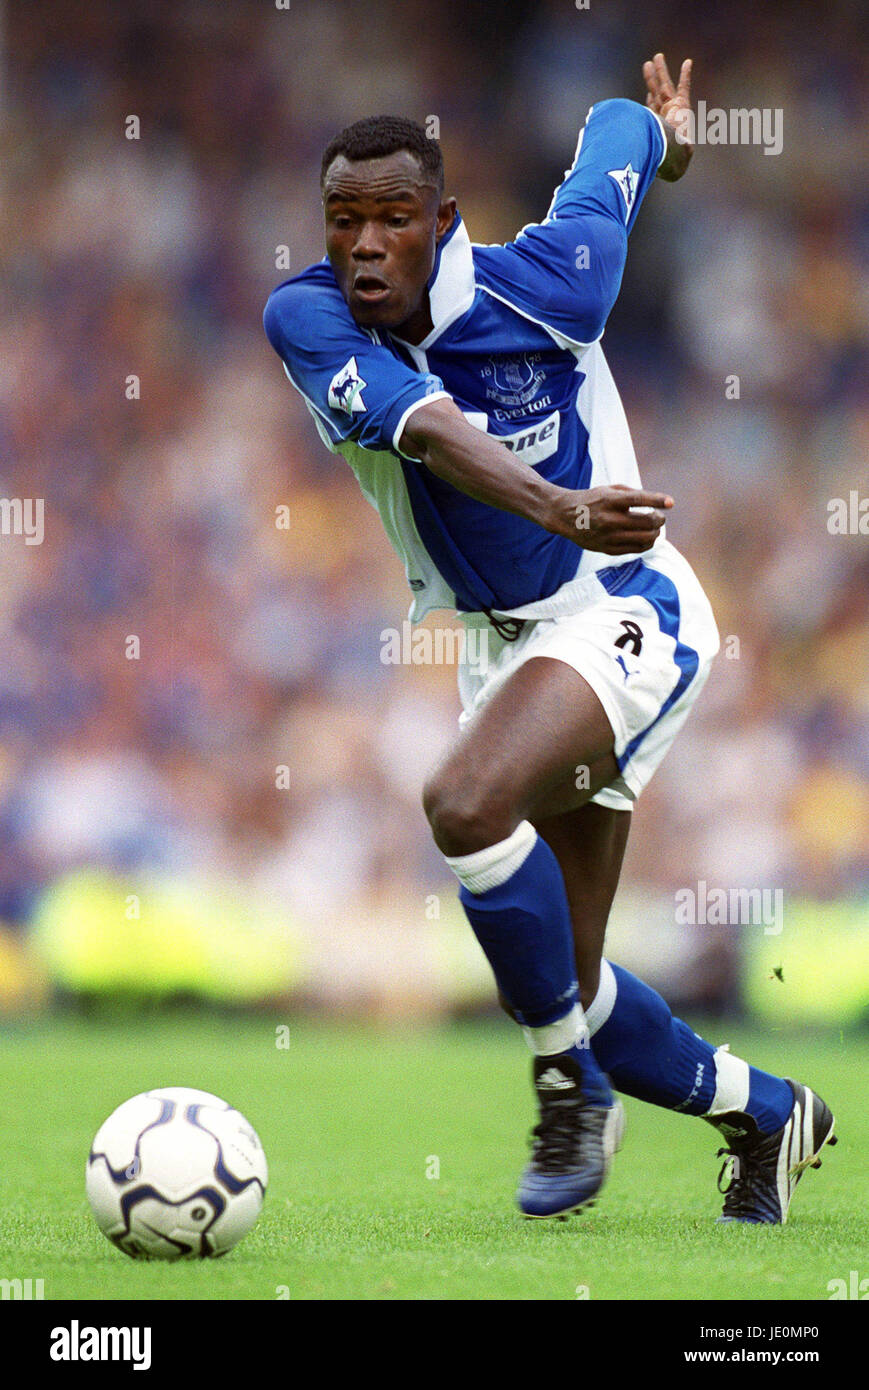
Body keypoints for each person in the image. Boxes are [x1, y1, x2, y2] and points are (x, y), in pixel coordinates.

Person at [264, 53, 836, 1222]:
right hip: (508, 643)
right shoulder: (306, 318)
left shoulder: (556, 279)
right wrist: (555, 501)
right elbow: (426, 430)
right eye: (341, 221)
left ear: (442, 222)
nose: (363, 245)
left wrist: (666, 139)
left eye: (390, 220)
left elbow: (616, 138)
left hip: (627, 608)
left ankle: (564, 1091)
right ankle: (765, 1110)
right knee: (565, 981)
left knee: (465, 804)